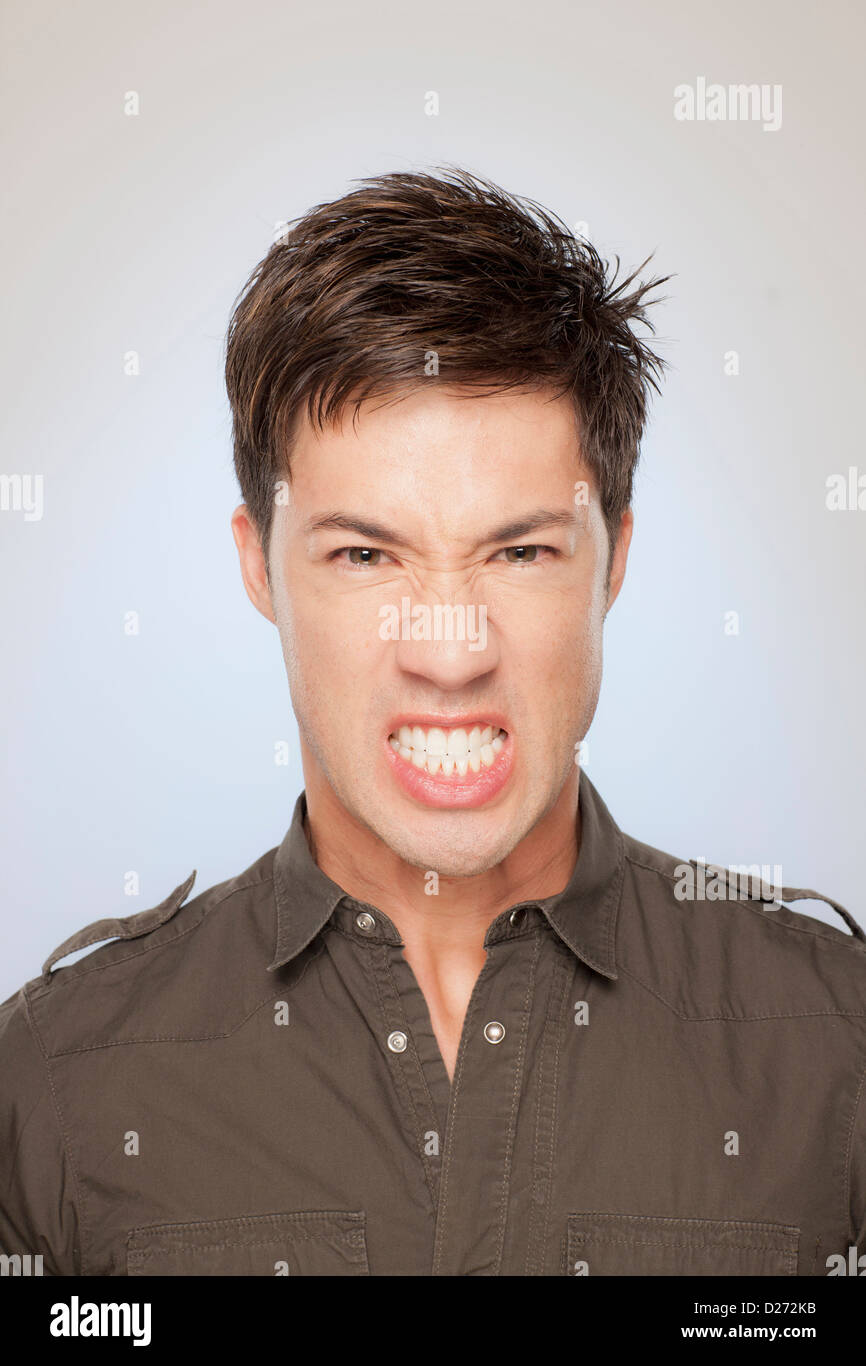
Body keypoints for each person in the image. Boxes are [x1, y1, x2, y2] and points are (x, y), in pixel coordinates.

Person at [2, 168, 864, 1277]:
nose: (449, 650)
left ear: (613, 563)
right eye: (365, 554)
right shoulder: (60, 1077)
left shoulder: (833, 1045)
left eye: (518, 552)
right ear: (258, 566)